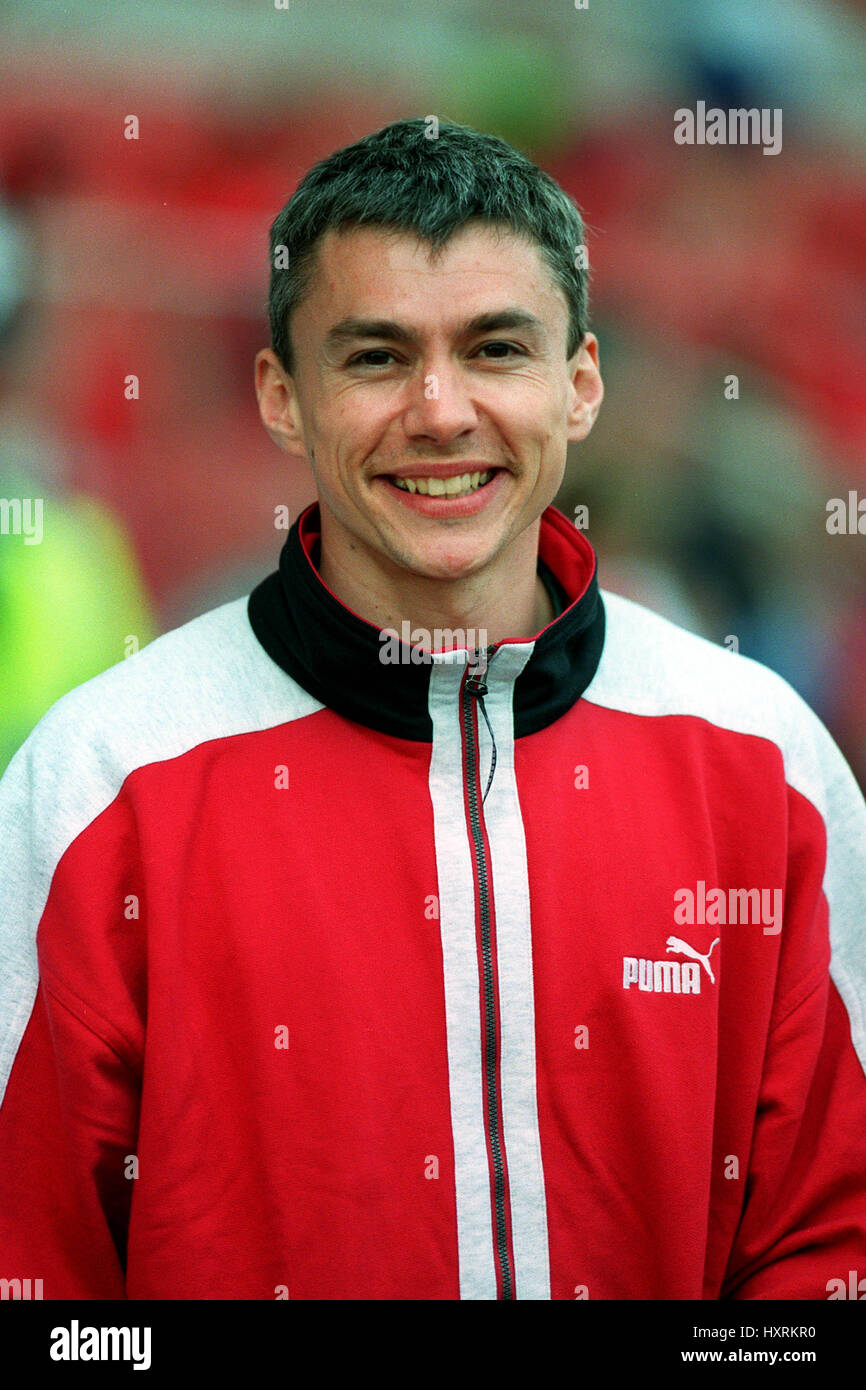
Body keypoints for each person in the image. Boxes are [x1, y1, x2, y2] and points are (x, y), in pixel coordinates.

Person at [0, 117, 864, 1302]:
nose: (441, 411)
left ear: (580, 385)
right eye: (373, 357)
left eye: (495, 349)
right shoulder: (97, 781)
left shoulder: (768, 764)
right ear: (280, 397)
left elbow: (826, 1252)